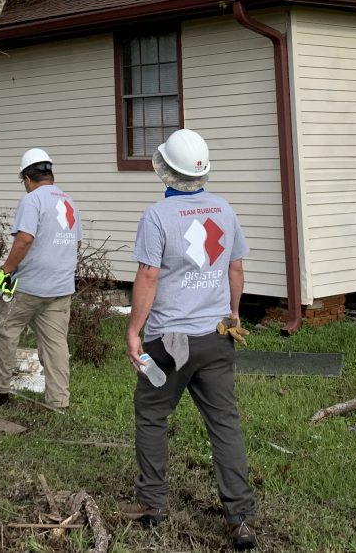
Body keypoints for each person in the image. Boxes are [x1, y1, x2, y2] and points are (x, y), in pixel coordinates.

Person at [125, 128, 257, 551]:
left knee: (151, 414)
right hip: (217, 337)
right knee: (225, 425)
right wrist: (233, 313)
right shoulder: (225, 210)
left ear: (164, 169)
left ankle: (152, 505)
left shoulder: (157, 217)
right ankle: (241, 519)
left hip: (170, 343)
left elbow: (148, 276)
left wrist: (134, 331)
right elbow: (235, 267)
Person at [0, 147, 81, 410]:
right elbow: (75, 244)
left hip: (28, 286)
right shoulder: (69, 202)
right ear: (50, 174)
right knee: (55, 344)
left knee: (5, 330)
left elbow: (25, 239)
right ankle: (58, 401)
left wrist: (5, 271)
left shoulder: (32, 201)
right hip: (61, 287)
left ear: (28, 178)